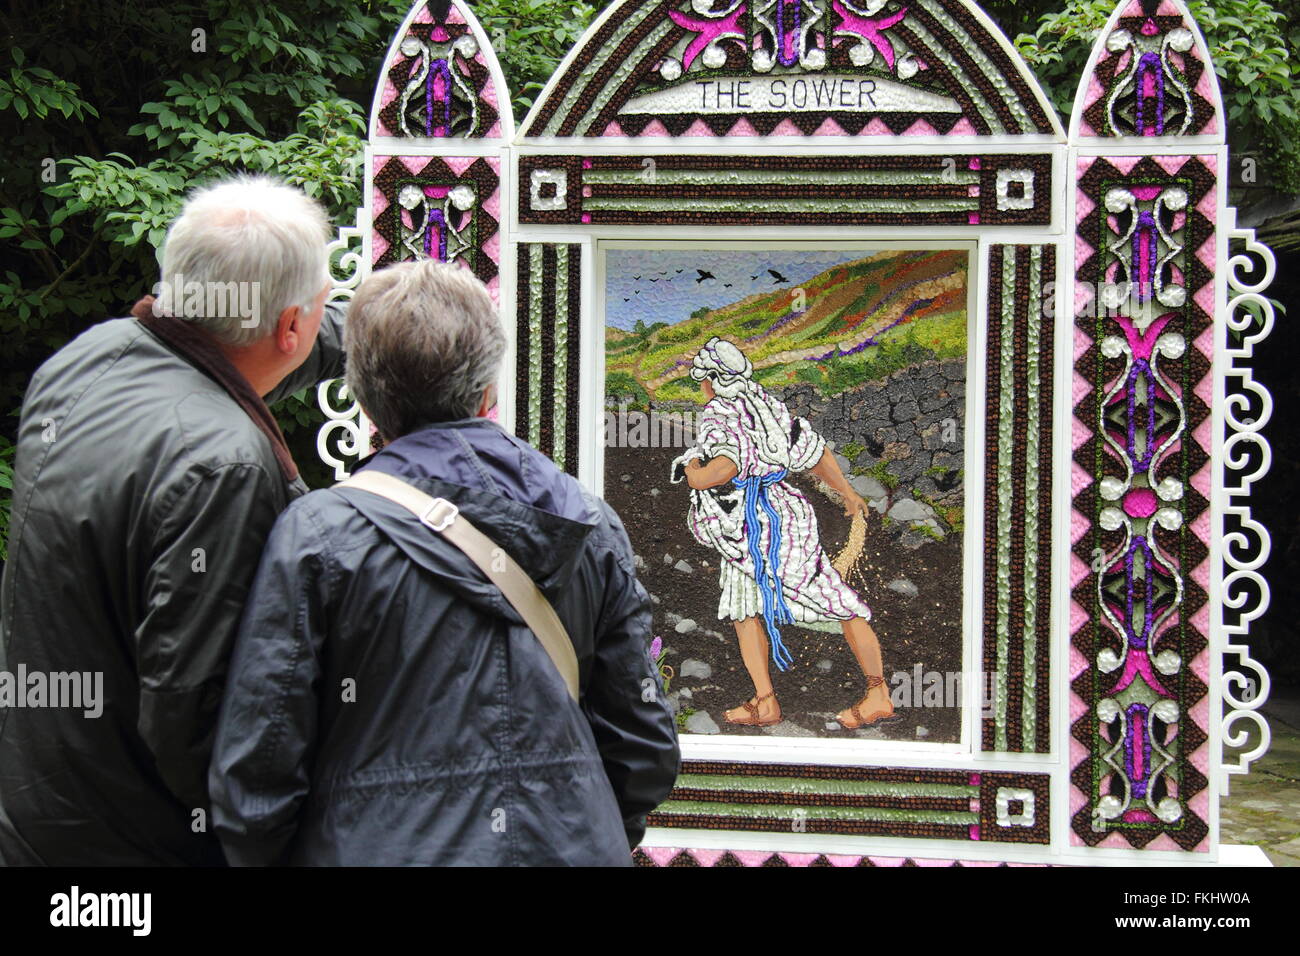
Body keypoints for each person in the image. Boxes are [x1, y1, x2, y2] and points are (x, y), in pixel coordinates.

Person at [208, 259, 680, 866]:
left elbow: (260, 764)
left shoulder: (320, 535)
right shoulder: (590, 525)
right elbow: (642, 746)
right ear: (488, 388)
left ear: (365, 398)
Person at [0, 175, 345, 865]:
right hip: (135, 849)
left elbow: (231, 348)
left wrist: (385, 335)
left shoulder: (86, 360)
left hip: (41, 807)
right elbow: (194, 712)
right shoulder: (224, 467)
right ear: (289, 327)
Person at [671, 337, 895, 730]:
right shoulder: (766, 406)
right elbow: (814, 451)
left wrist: (693, 473)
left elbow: (723, 467)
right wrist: (847, 492)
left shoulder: (719, 414)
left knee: (818, 599)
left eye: (702, 380)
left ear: (711, 380)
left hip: (753, 523)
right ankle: (766, 699)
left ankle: (877, 694)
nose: (700, 387)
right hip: (783, 514)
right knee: (751, 602)